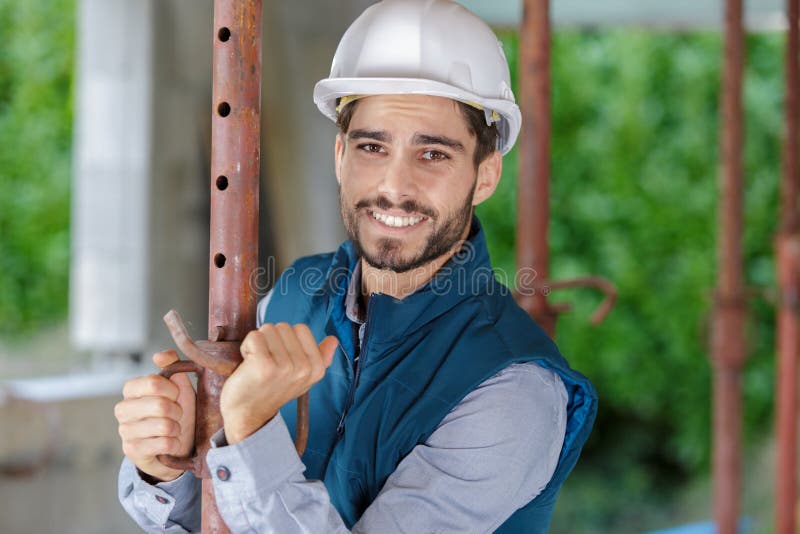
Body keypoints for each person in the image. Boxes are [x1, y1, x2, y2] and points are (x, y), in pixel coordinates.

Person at [115, 1, 597, 532]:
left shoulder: (514, 389)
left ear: (485, 176)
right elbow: (220, 514)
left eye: (433, 154)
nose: (395, 186)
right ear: (340, 155)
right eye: (372, 146)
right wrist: (166, 467)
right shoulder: (293, 295)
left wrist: (250, 434)